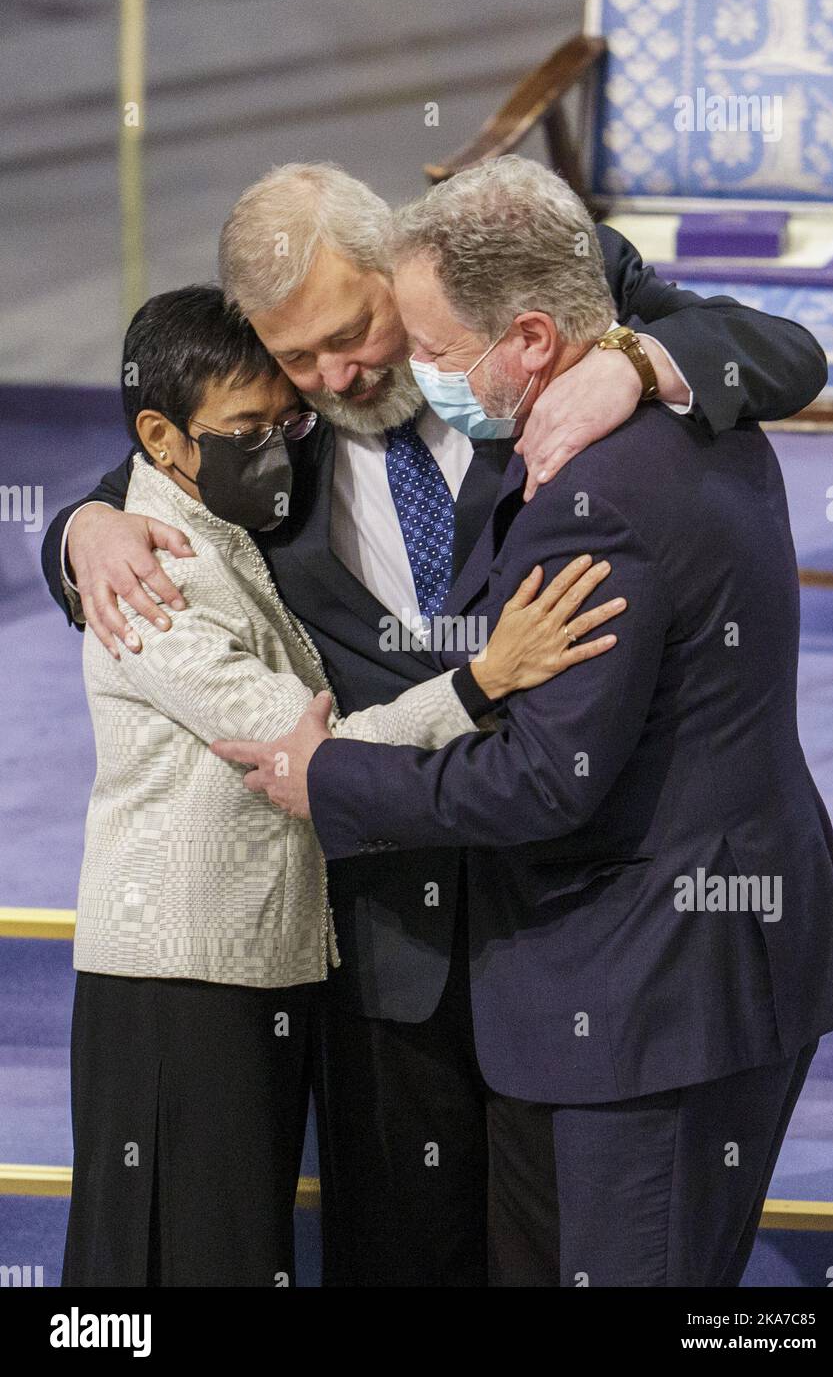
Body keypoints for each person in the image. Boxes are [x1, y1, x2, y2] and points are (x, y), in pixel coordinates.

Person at [42, 161, 830, 1286]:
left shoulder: (523, 294)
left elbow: (779, 351)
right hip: (386, 931)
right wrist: (78, 531)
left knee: (564, 1247)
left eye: (355, 333)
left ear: (400, 270)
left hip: (580, 922)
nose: (332, 373)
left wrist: (641, 361)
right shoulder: (275, 418)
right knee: (399, 1255)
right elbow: (164, 465)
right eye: (295, 358)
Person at [61, 282, 623, 1287]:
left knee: (231, 1248)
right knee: (167, 1261)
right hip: (177, 973)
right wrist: (482, 680)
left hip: (261, 965)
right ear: (163, 436)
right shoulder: (144, 572)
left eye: (287, 422)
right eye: (247, 429)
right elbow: (302, 747)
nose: (279, 447)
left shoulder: (223, 527)